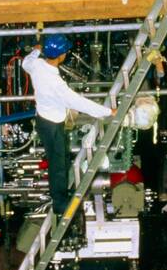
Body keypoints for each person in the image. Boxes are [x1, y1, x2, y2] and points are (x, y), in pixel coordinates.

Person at [21, 34, 115, 214]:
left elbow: (26, 62)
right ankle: (60, 203)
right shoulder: (56, 84)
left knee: (62, 158)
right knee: (58, 165)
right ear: (62, 55)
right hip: (52, 126)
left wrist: (35, 50)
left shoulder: (37, 65)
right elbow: (80, 103)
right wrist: (108, 112)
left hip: (43, 119)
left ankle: (62, 193)